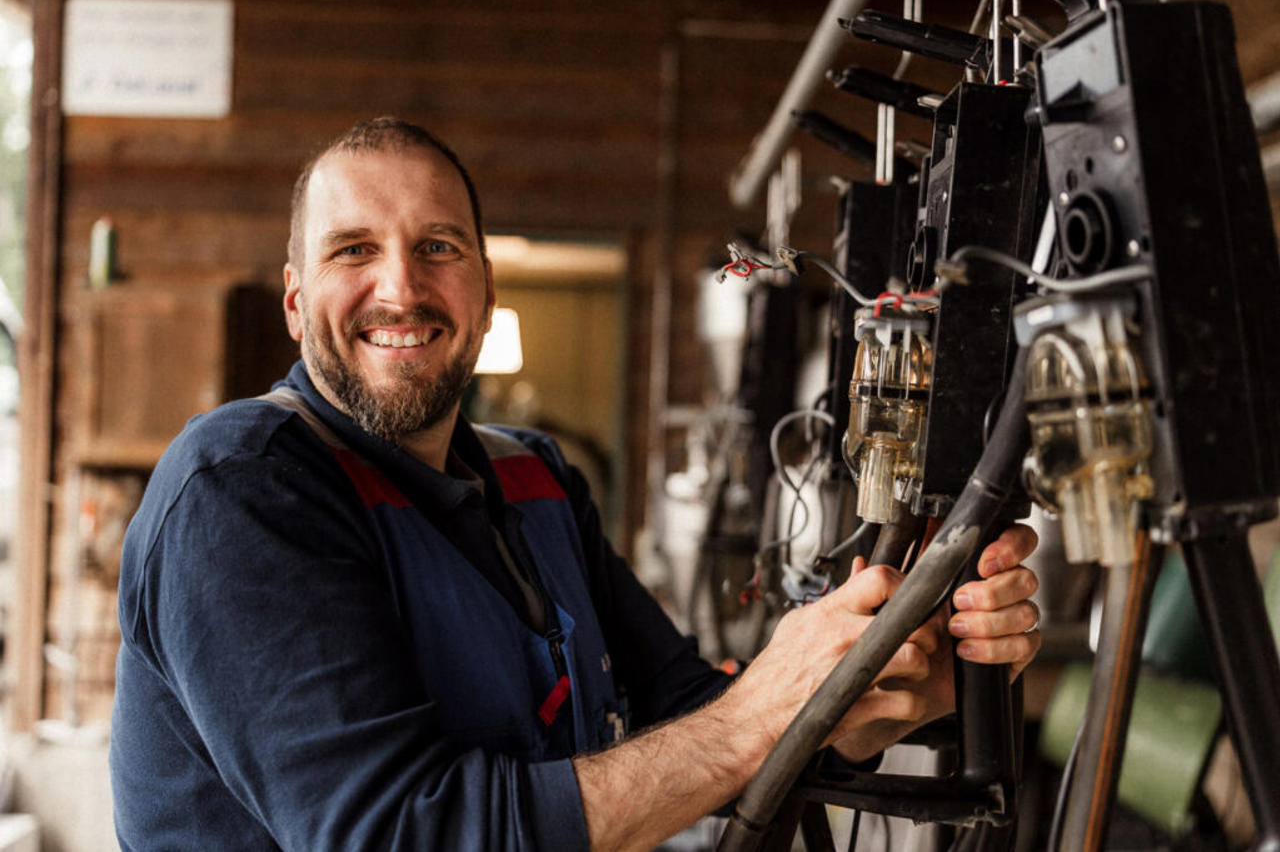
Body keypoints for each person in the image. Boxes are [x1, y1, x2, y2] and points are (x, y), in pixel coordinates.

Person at [109, 117, 1042, 851]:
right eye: (352, 250)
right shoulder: (241, 488)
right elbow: (398, 834)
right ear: (295, 301)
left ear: (482, 292)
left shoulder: (536, 477)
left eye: (439, 246)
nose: (402, 286)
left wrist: (888, 680)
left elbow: (688, 712)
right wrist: (764, 711)